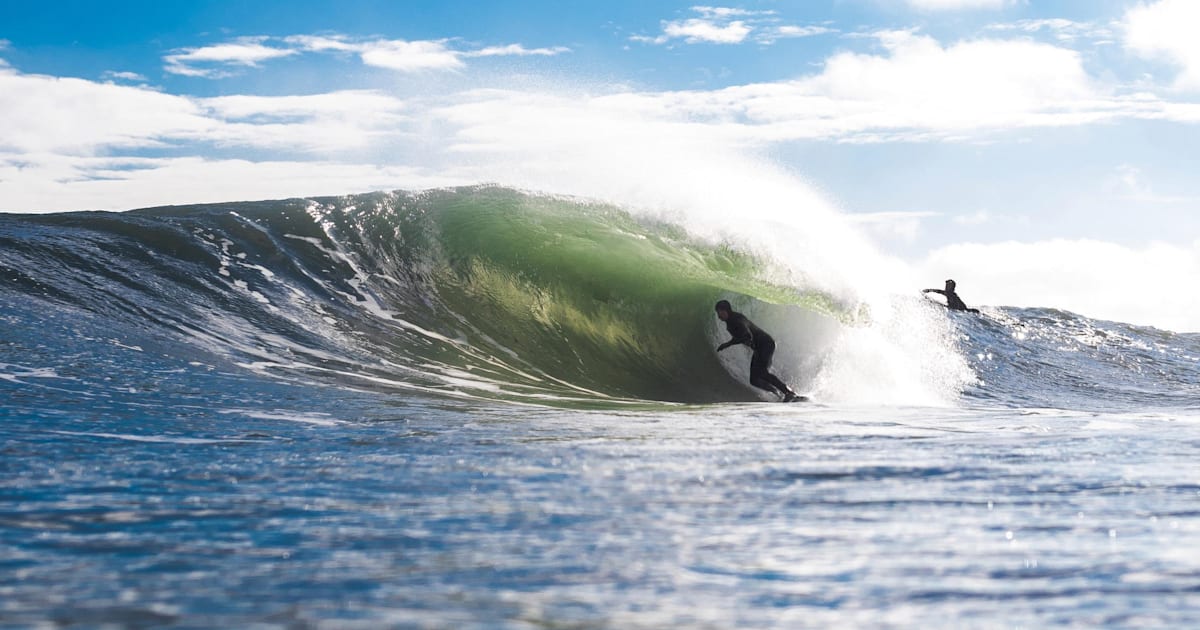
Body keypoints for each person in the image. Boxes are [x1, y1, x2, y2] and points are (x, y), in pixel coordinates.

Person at [714, 300, 802, 402]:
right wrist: (727, 344)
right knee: (754, 380)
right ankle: (778, 393)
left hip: (766, 344)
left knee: (763, 373)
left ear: (725, 311)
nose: (718, 315)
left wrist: (729, 344)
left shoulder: (736, 320)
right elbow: (741, 336)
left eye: (719, 312)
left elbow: (747, 335)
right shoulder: (731, 321)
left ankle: (789, 392)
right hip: (759, 347)